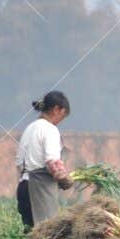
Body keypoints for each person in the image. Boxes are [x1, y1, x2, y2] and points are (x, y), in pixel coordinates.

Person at [15, 90, 73, 228]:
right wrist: (64, 179)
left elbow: (18, 162)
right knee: (47, 234)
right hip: (40, 190)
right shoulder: (50, 129)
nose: (60, 121)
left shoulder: (29, 128)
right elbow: (52, 162)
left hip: (23, 187)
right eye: (63, 116)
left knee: (30, 235)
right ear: (56, 109)